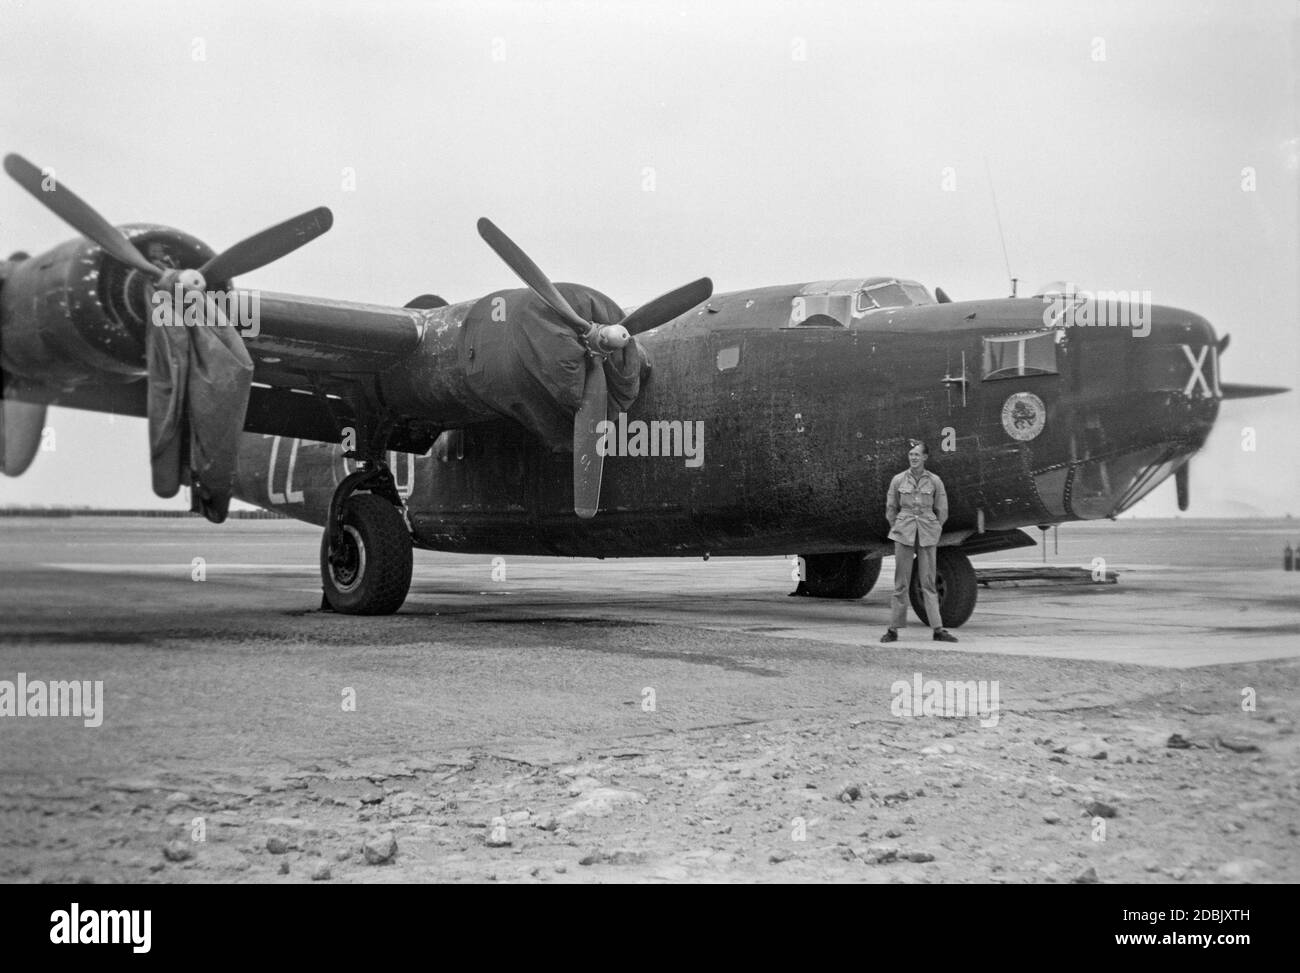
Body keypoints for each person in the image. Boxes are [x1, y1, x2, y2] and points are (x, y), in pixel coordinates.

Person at [880, 440, 958, 643]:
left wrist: (934, 528)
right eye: (911, 454)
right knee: (901, 583)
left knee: (928, 582)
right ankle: (893, 629)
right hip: (904, 532)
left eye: (917, 454)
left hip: (926, 533)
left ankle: (938, 629)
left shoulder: (934, 481)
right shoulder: (898, 480)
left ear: (925, 457)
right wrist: (898, 526)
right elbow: (891, 508)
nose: (913, 458)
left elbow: (942, 510)